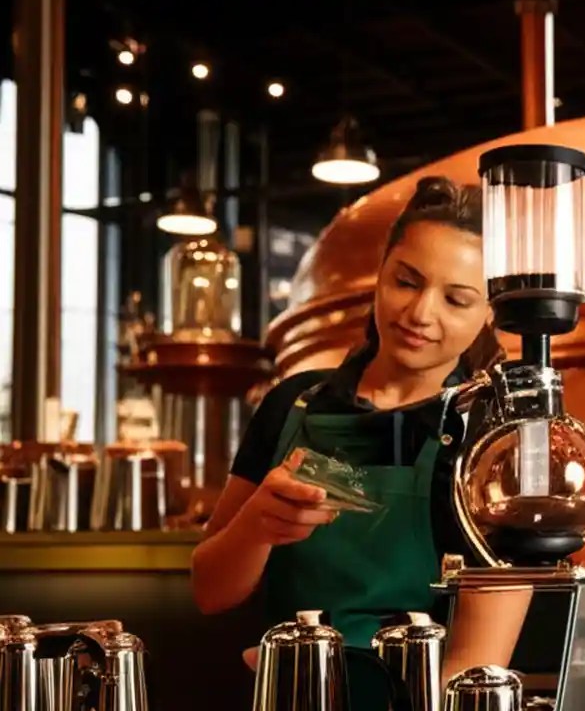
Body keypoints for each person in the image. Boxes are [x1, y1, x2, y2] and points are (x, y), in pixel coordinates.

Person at [191, 176, 528, 692]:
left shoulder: (493, 437)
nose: (420, 314)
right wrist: (258, 524)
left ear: (490, 313)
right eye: (407, 281)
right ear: (379, 275)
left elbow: (475, 667)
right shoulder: (292, 403)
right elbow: (210, 590)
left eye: (456, 300)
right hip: (287, 693)